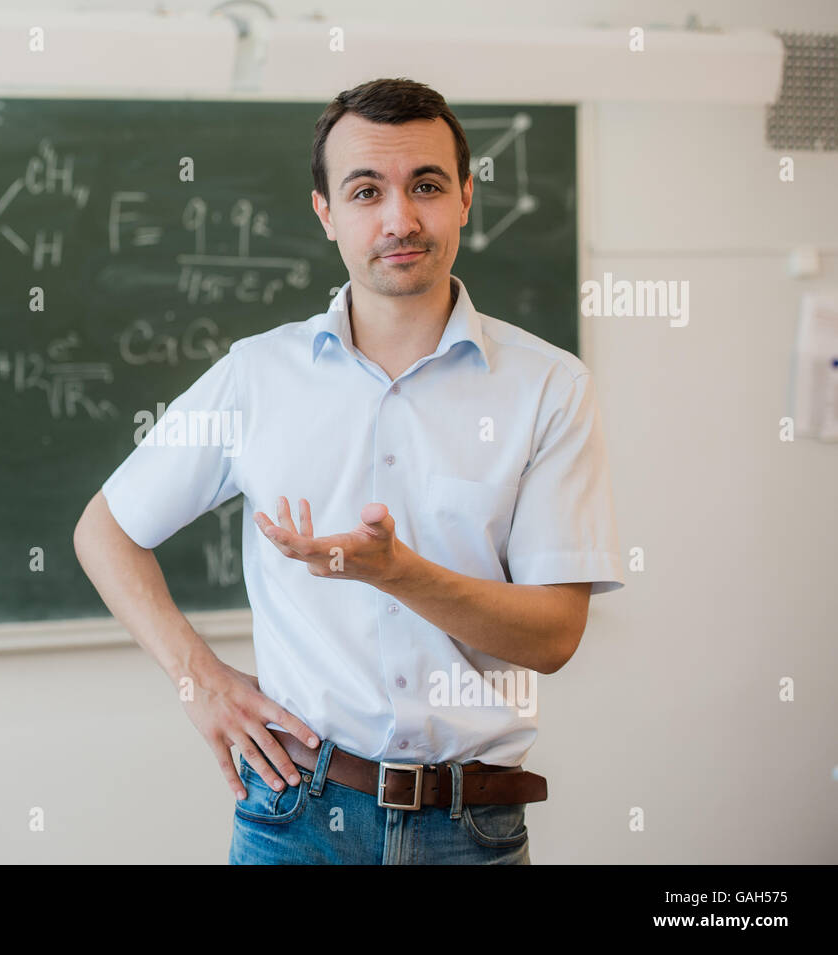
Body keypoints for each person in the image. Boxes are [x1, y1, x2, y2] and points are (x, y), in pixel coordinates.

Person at [73, 77, 625, 864]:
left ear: (466, 197)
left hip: (471, 831)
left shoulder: (549, 386)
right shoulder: (257, 375)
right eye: (367, 190)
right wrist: (200, 683)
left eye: (426, 185)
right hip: (297, 818)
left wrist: (398, 572)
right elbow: (106, 530)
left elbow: (554, 636)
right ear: (327, 213)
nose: (400, 218)